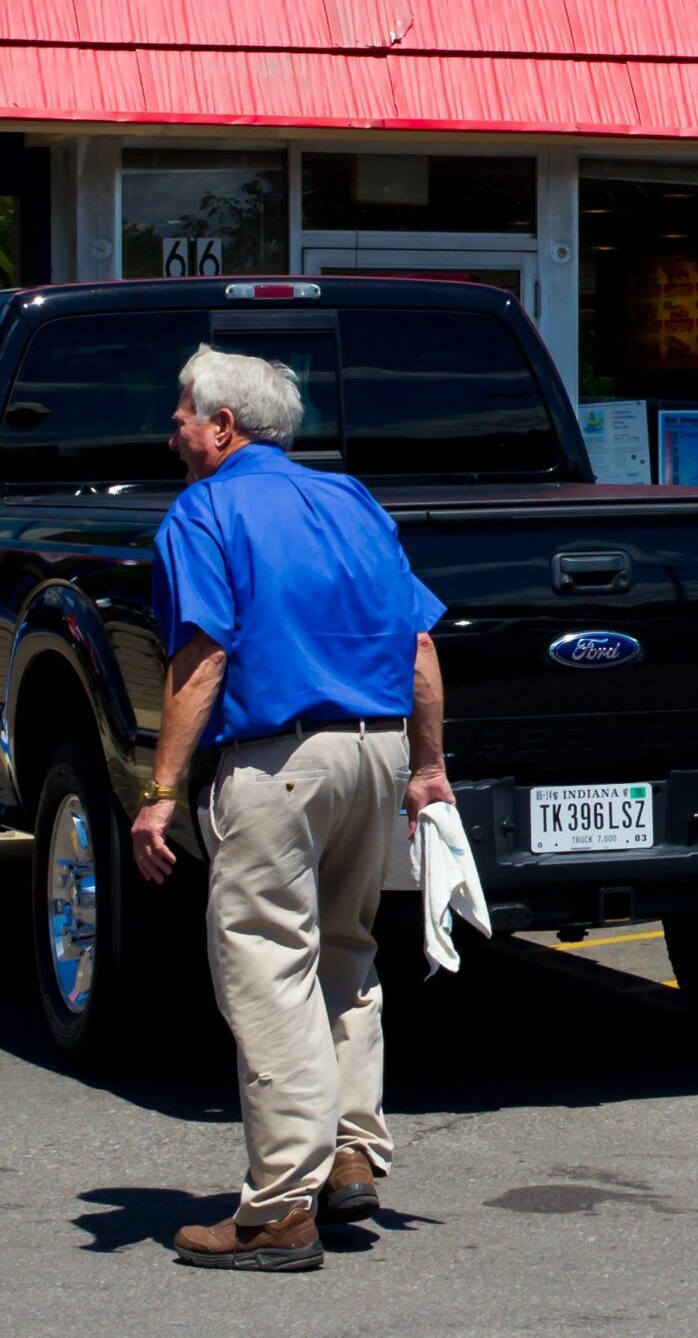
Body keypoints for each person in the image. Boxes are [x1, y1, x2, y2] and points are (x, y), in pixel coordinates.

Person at [128, 344, 453, 1274]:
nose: (173, 434)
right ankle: (350, 1153)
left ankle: (278, 1209)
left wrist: (159, 792)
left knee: (268, 967)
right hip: (375, 749)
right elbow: (419, 646)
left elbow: (202, 658)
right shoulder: (352, 499)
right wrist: (428, 765)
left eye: (182, 417)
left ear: (223, 427)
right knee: (346, 950)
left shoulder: (205, 510)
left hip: (279, 761)